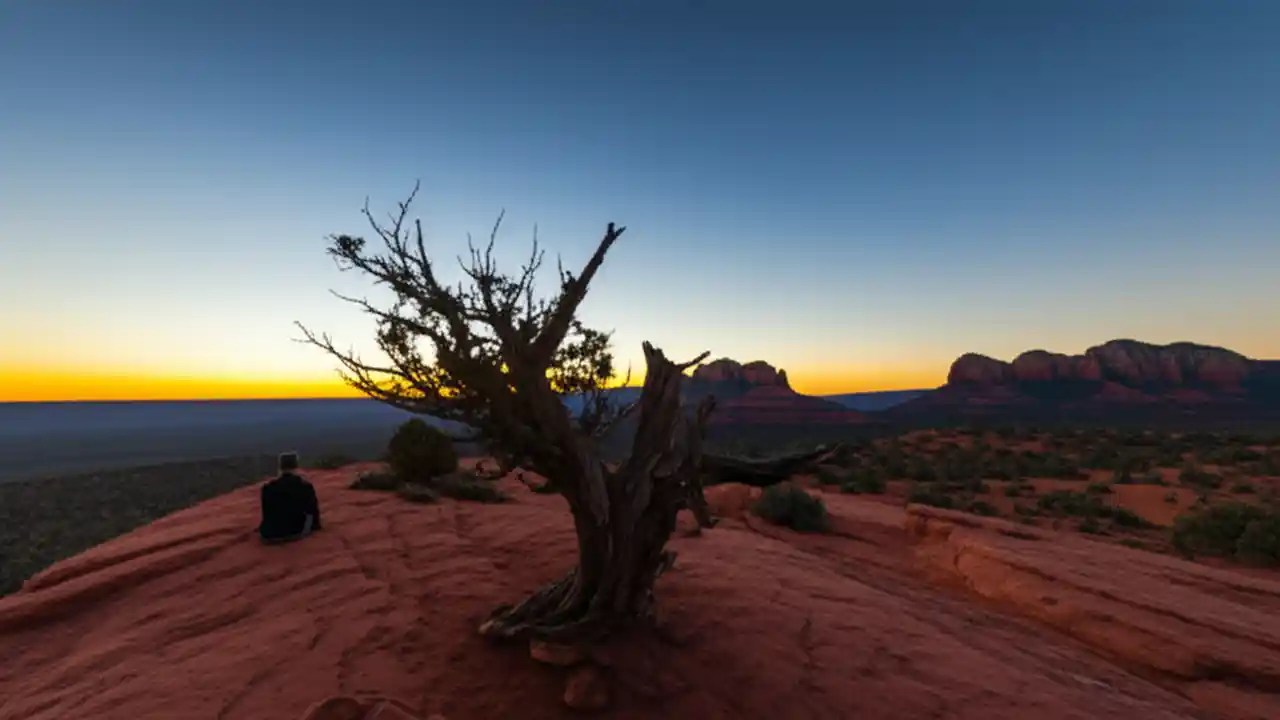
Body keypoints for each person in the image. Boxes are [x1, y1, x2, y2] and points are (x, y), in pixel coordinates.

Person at [259, 452, 322, 544]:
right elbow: (313, 511)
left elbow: (266, 512)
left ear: (280, 466)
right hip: (295, 532)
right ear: (296, 465)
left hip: (269, 535)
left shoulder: (267, 488)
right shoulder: (305, 486)